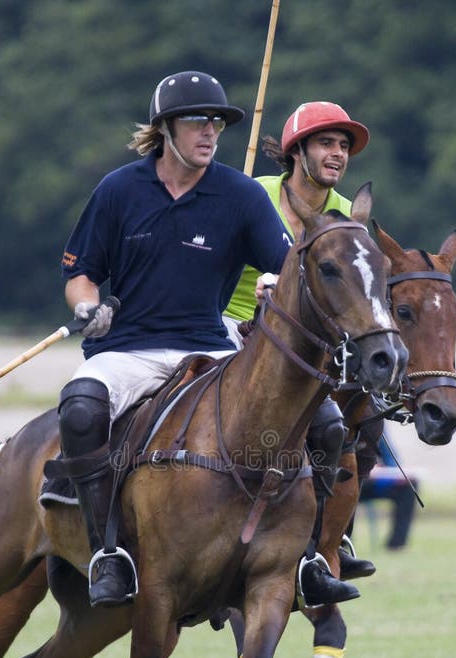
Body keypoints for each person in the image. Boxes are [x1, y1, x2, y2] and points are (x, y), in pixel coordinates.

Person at [56, 71, 291, 608]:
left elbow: (288, 268)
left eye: (216, 122)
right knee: (80, 409)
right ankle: (105, 553)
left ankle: (310, 553)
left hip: (209, 350)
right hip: (127, 350)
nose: (209, 132)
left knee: (309, 418)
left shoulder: (242, 194)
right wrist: (87, 307)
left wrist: (276, 287)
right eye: (196, 121)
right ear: (165, 129)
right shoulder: (118, 190)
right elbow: (80, 274)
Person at [225, 101, 374, 606]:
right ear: (296, 151)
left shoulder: (345, 212)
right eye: (326, 143)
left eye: (343, 146)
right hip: (230, 325)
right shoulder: (252, 195)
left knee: (342, 427)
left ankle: (319, 546)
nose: (337, 154)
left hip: (307, 345)